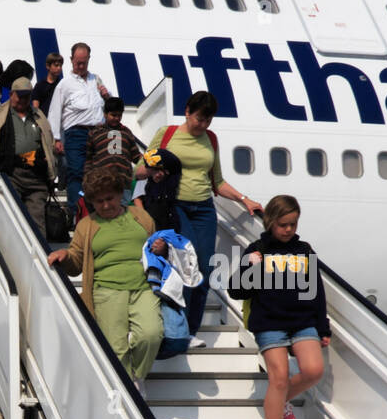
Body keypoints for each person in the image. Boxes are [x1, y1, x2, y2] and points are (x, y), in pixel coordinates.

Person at [137, 91, 262, 347]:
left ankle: (190, 331)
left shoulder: (211, 139)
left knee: (204, 269)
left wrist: (243, 198)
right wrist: (154, 172)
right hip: (176, 205)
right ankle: (176, 328)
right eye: (199, 119)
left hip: (204, 208)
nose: (203, 125)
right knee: (186, 264)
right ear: (187, 111)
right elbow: (141, 168)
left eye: (208, 120)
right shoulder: (167, 134)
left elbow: (217, 182)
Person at [227, 195, 329, 419]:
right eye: (283, 224)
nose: (288, 230)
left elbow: (316, 292)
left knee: (314, 371)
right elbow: (236, 290)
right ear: (271, 222)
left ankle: (282, 400)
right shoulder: (257, 249)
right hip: (269, 322)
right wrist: (250, 267)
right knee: (279, 377)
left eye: (293, 224)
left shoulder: (304, 250)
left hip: (302, 321)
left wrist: (323, 326)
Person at [47, 167, 162, 390]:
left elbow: (156, 248)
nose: (106, 205)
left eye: (110, 198)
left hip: (143, 287)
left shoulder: (141, 217)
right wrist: (65, 256)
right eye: (99, 201)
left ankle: (136, 377)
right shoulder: (86, 225)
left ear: (120, 194)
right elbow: (76, 263)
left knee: (151, 334)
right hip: (106, 291)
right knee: (116, 347)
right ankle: (129, 391)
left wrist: (161, 248)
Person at [0, 77, 58, 238]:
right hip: (11, 175)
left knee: (37, 225)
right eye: (19, 95)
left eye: (27, 96)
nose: (22, 100)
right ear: (12, 94)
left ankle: (38, 259)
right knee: (10, 219)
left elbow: (50, 144)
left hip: (37, 177)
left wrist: (51, 173)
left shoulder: (39, 116)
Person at [45, 42, 111, 217]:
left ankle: (96, 211)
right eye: (77, 62)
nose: (81, 66)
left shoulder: (95, 80)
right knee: (76, 173)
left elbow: (108, 106)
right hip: (76, 134)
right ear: (71, 60)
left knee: (98, 174)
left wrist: (106, 95)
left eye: (84, 62)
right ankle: (77, 213)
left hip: (98, 133)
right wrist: (57, 139)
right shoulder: (64, 84)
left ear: (89, 59)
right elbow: (54, 112)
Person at [84, 97, 142, 204]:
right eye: (113, 115)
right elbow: (88, 159)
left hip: (123, 184)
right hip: (102, 183)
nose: (116, 118)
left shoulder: (126, 132)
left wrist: (150, 160)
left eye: (119, 115)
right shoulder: (95, 133)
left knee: (123, 213)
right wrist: (88, 178)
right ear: (105, 114)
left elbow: (136, 156)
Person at [131, 147, 182, 232]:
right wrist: (145, 221)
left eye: (162, 171)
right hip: (149, 221)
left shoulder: (172, 179)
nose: (158, 174)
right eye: (155, 170)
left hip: (167, 223)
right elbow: (137, 199)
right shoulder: (145, 177)